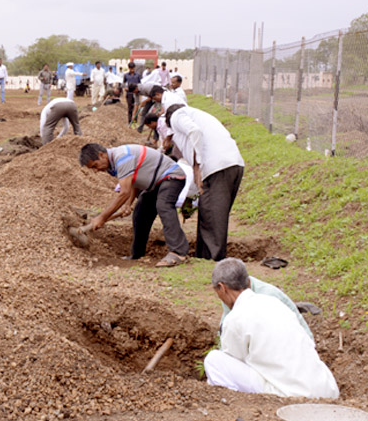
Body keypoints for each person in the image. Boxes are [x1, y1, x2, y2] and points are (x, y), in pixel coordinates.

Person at [204, 259, 338, 398]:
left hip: (291, 394)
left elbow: (235, 361)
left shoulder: (234, 318)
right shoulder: (275, 302)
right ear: (248, 282)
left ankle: (235, 405)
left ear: (222, 287)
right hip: (326, 389)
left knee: (213, 360)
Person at [79, 143, 189, 267]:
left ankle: (178, 252)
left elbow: (124, 192)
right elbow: (133, 181)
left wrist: (102, 217)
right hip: (157, 183)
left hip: (172, 176)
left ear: (101, 155)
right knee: (140, 212)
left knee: (164, 205)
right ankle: (137, 254)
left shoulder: (122, 157)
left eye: (95, 165)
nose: (95, 170)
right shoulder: (112, 164)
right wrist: (127, 204)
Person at [167, 104, 245, 261]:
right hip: (233, 164)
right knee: (209, 210)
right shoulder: (200, 114)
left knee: (212, 214)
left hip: (218, 167)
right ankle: (203, 256)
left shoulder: (177, 115)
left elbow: (194, 131)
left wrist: (198, 164)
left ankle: (213, 258)